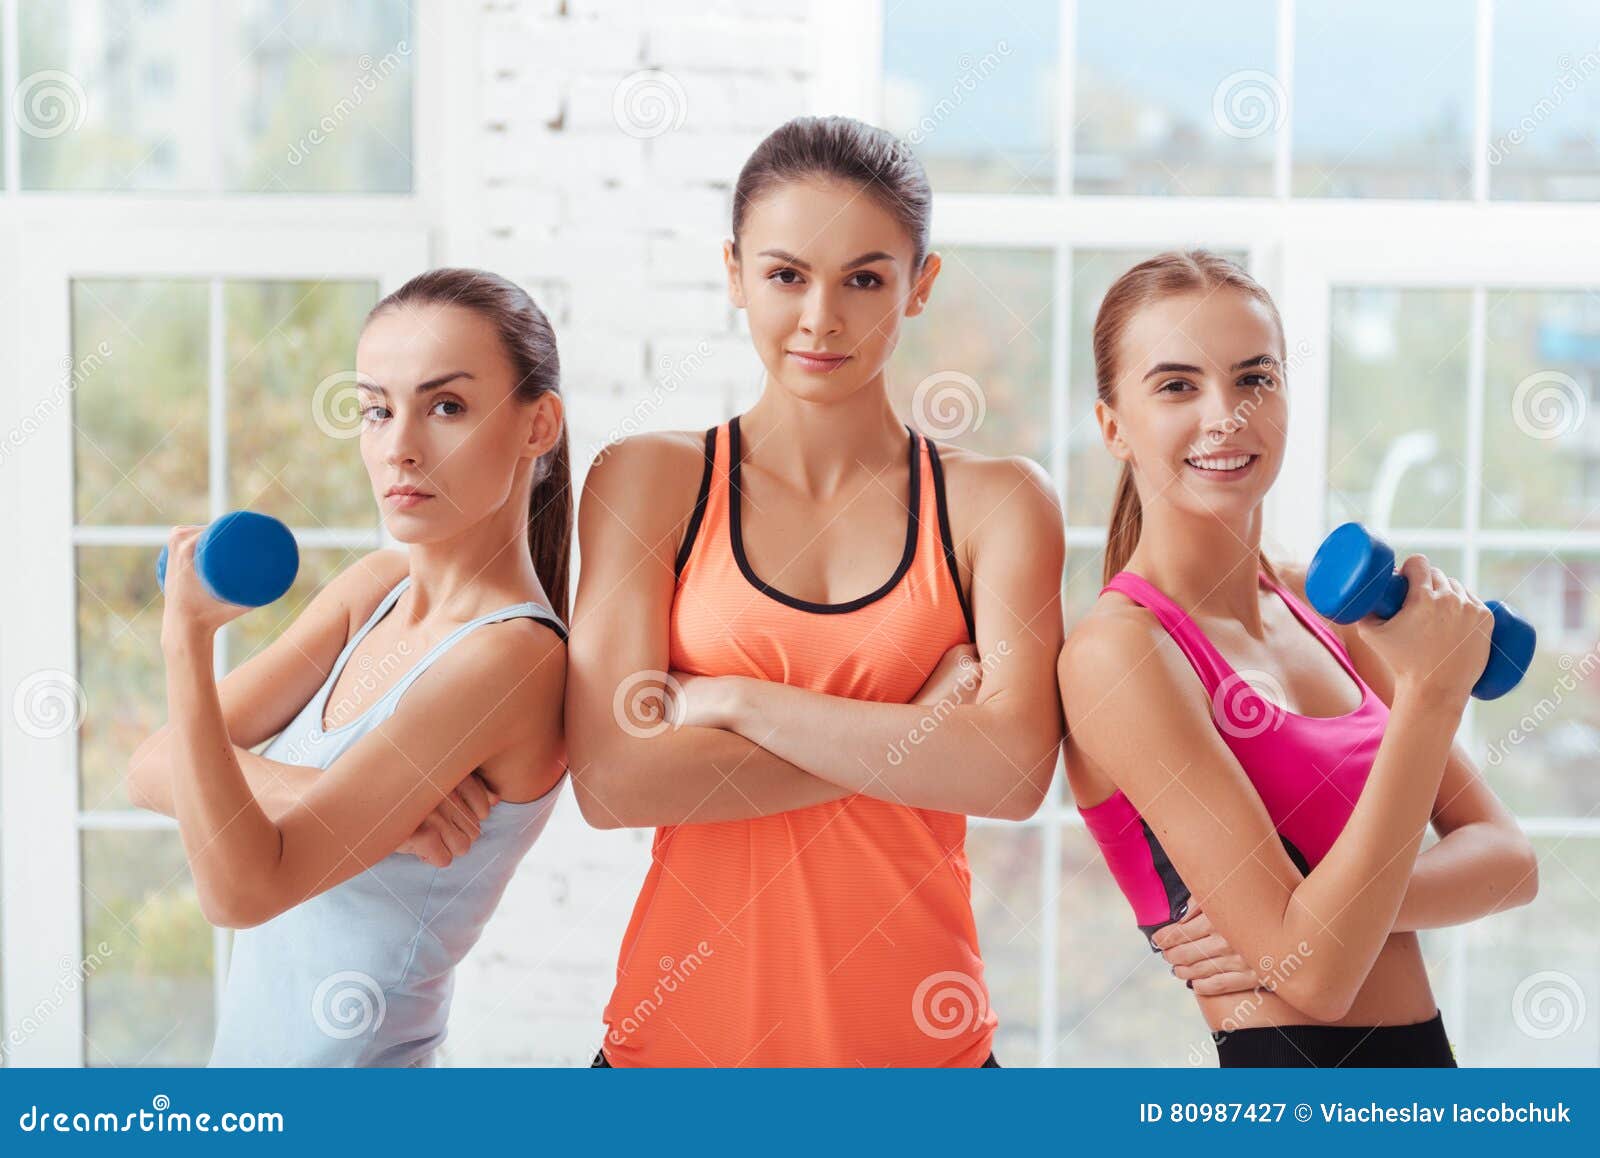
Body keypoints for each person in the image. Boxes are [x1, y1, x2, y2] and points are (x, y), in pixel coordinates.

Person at [566, 116, 1065, 1067]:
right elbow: (611, 779)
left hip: (927, 1068)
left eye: (865, 279)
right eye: (787, 274)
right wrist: (917, 729)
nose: (820, 318)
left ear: (921, 284)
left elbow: (1009, 774)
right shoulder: (650, 482)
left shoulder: (996, 504)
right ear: (734, 272)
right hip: (675, 1064)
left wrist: (733, 703)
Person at [1059, 250, 1538, 1067]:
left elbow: (1510, 861)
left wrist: (1324, 914)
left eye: (1255, 379)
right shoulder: (1120, 654)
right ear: (1113, 428)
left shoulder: (1321, 609)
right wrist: (1429, 692)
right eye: (1178, 386)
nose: (1227, 415)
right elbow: (1314, 979)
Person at [130, 269, 571, 1066]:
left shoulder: (510, 658)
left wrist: (185, 644)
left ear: (538, 425)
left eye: (447, 407)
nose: (400, 446)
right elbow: (151, 765)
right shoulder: (375, 588)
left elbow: (241, 890)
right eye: (377, 408)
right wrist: (333, 802)